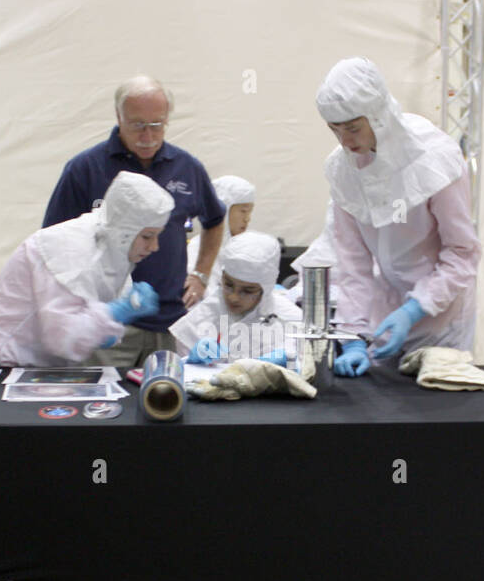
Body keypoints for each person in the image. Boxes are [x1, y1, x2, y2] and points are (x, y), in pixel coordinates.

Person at [314, 57, 481, 377]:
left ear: (378, 117)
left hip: (442, 318)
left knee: (437, 411)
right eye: (335, 129)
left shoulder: (436, 159)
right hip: (384, 315)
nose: (346, 141)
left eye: (353, 128)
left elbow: (462, 253)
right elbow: (353, 264)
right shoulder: (343, 170)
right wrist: (353, 337)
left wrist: (415, 309)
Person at [43, 76, 226, 367]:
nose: (148, 136)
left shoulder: (186, 167)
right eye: (138, 125)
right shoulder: (84, 169)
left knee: (164, 405)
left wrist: (201, 275)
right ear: (119, 117)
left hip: (169, 322)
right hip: (108, 328)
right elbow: (52, 245)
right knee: (103, 407)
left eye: (157, 125)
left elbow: (215, 219)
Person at [0, 172, 174, 367]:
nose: (154, 247)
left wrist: (109, 325)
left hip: (37, 361)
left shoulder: (109, 244)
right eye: (147, 236)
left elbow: (90, 313)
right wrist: (115, 313)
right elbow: (62, 337)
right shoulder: (70, 249)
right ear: (126, 231)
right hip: (6, 358)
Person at [171, 231, 301, 365]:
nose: (233, 298)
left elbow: (306, 370)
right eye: (228, 285)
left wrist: (291, 364)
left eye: (247, 291)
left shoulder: (292, 320)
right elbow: (184, 377)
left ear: (266, 288)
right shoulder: (199, 320)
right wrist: (191, 362)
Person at [187, 174, 255, 282]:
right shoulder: (198, 248)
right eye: (243, 211)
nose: (247, 219)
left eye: (250, 212)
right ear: (224, 209)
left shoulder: (248, 247)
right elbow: (204, 292)